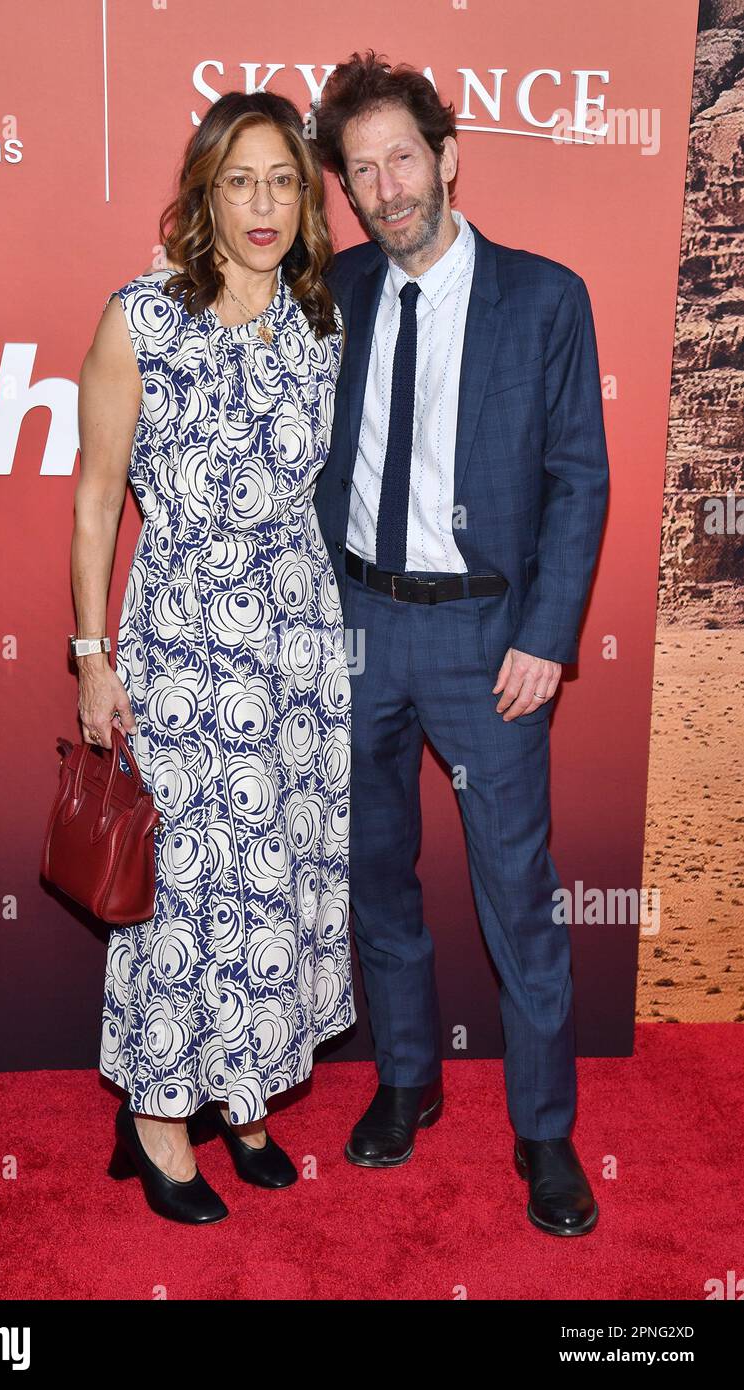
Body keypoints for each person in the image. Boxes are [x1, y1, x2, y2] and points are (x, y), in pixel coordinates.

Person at [312, 52, 609, 1236]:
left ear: (447, 156)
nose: (385, 186)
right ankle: (405, 1079)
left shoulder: (543, 297)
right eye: (361, 168)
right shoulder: (330, 292)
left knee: (516, 896)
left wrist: (546, 634)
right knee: (375, 874)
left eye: (402, 157)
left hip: (490, 638)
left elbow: (579, 481)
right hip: (357, 628)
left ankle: (544, 1135)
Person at [72, 91, 355, 1225]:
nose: (262, 204)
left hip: (292, 640)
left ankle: (240, 1094)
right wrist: (93, 657)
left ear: (306, 197)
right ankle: (155, 1119)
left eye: (283, 180)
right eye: (239, 179)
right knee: (185, 881)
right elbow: (97, 499)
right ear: (204, 189)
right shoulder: (138, 316)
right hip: (183, 637)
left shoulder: (319, 323)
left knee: (272, 870)